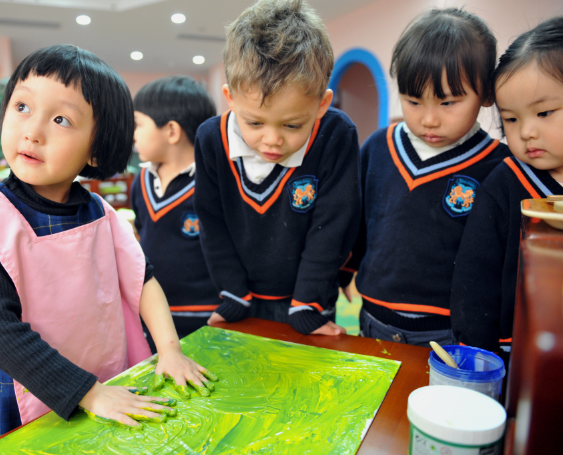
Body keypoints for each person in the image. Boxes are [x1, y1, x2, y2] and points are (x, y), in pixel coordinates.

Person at [0, 45, 215, 435]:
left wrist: (170, 351)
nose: (31, 130)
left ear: (96, 150)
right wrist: (89, 394)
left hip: (110, 381)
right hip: (27, 395)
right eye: (22, 107)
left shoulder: (102, 213)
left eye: (61, 119)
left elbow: (143, 280)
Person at [343, 8, 510, 347]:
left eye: (448, 103)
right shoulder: (378, 146)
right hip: (373, 318)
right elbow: (355, 220)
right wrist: (343, 272)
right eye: (413, 101)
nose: (429, 119)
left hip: (448, 333)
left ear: (487, 94)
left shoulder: (499, 167)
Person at [194, 0, 361, 336]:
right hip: (242, 303)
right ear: (230, 97)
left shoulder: (336, 133)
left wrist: (307, 305)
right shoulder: (210, 138)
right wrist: (232, 295)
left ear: (321, 105)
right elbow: (212, 223)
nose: (271, 141)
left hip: (310, 304)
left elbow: (332, 227)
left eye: (291, 126)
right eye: (254, 122)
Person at [450, 17, 563, 354]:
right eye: (511, 119)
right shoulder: (505, 183)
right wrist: (478, 353)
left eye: (544, 113)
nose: (526, 131)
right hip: (514, 355)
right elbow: (475, 281)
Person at [130, 76, 220, 352]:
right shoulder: (140, 181)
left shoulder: (213, 183)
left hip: (207, 316)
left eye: (138, 124)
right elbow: (143, 230)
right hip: (152, 315)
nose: (133, 134)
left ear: (171, 131)